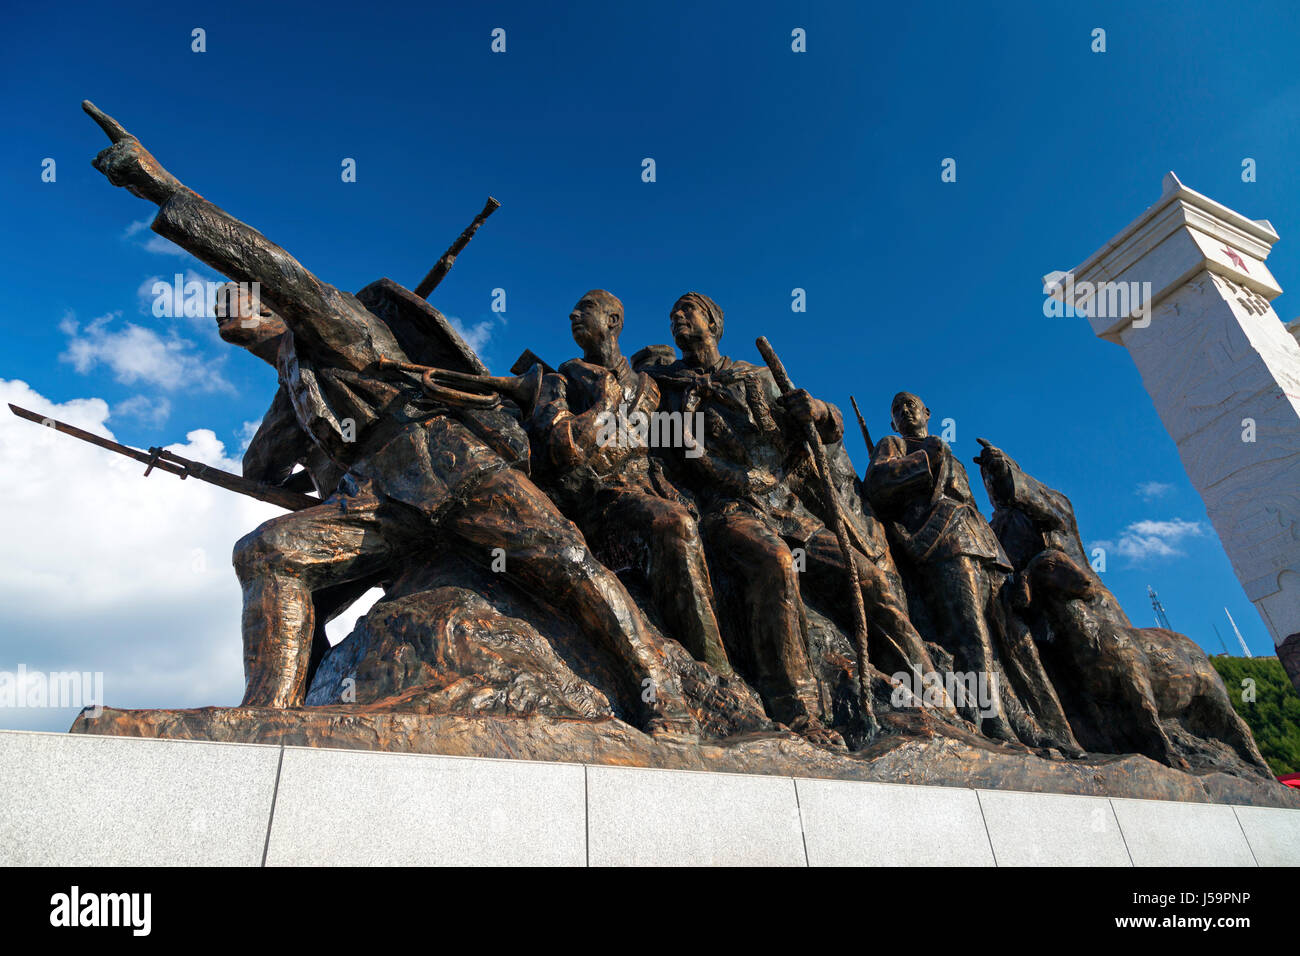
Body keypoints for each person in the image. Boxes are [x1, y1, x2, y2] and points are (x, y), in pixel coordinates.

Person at [85, 101, 697, 739]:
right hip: (380, 503)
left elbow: (271, 261)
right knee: (268, 551)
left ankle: (663, 699)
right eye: (220, 308)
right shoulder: (288, 389)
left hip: (455, 470)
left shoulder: (337, 322)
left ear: (271, 303)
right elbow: (260, 466)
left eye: (237, 295)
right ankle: (267, 713)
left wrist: (156, 185)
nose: (224, 306)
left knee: (569, 564)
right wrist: (259, 481)